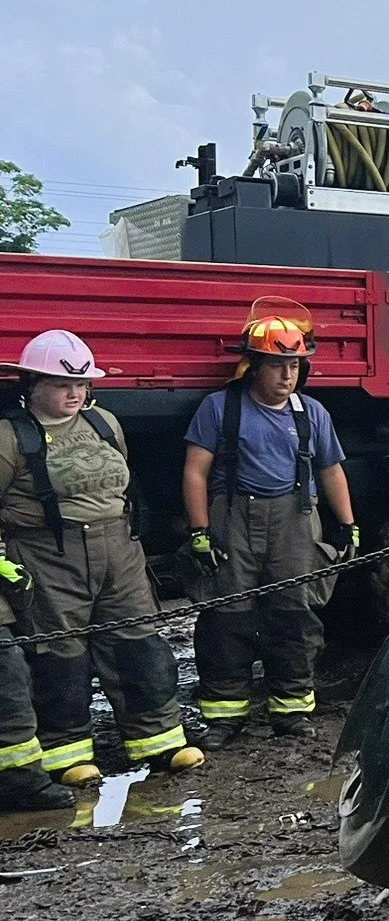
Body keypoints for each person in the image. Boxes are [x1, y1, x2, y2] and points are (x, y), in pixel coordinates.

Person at [0, 330, 203, 793]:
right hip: (48, 557)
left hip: (119, 552)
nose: (74, 394)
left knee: (138, 643)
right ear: (31, 384)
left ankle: (159, 740)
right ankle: (67, 752)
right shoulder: (9, 438)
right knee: (59, 655)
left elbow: (120, 481)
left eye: (81, 384)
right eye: (61, 384)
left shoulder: (104, 423)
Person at [182, 300, 358, 749]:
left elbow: (330, 469)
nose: (287, 375)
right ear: (253, 366)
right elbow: (196, 471)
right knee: (227, 619)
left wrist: (346, 524)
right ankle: (225, 717)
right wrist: (200, 531)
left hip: (294, 521)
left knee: (294, 618)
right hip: (233, 519)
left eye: (294, 366)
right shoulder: (219, 408)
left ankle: (292, 711)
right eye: (278, 365)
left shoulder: (312, 413)